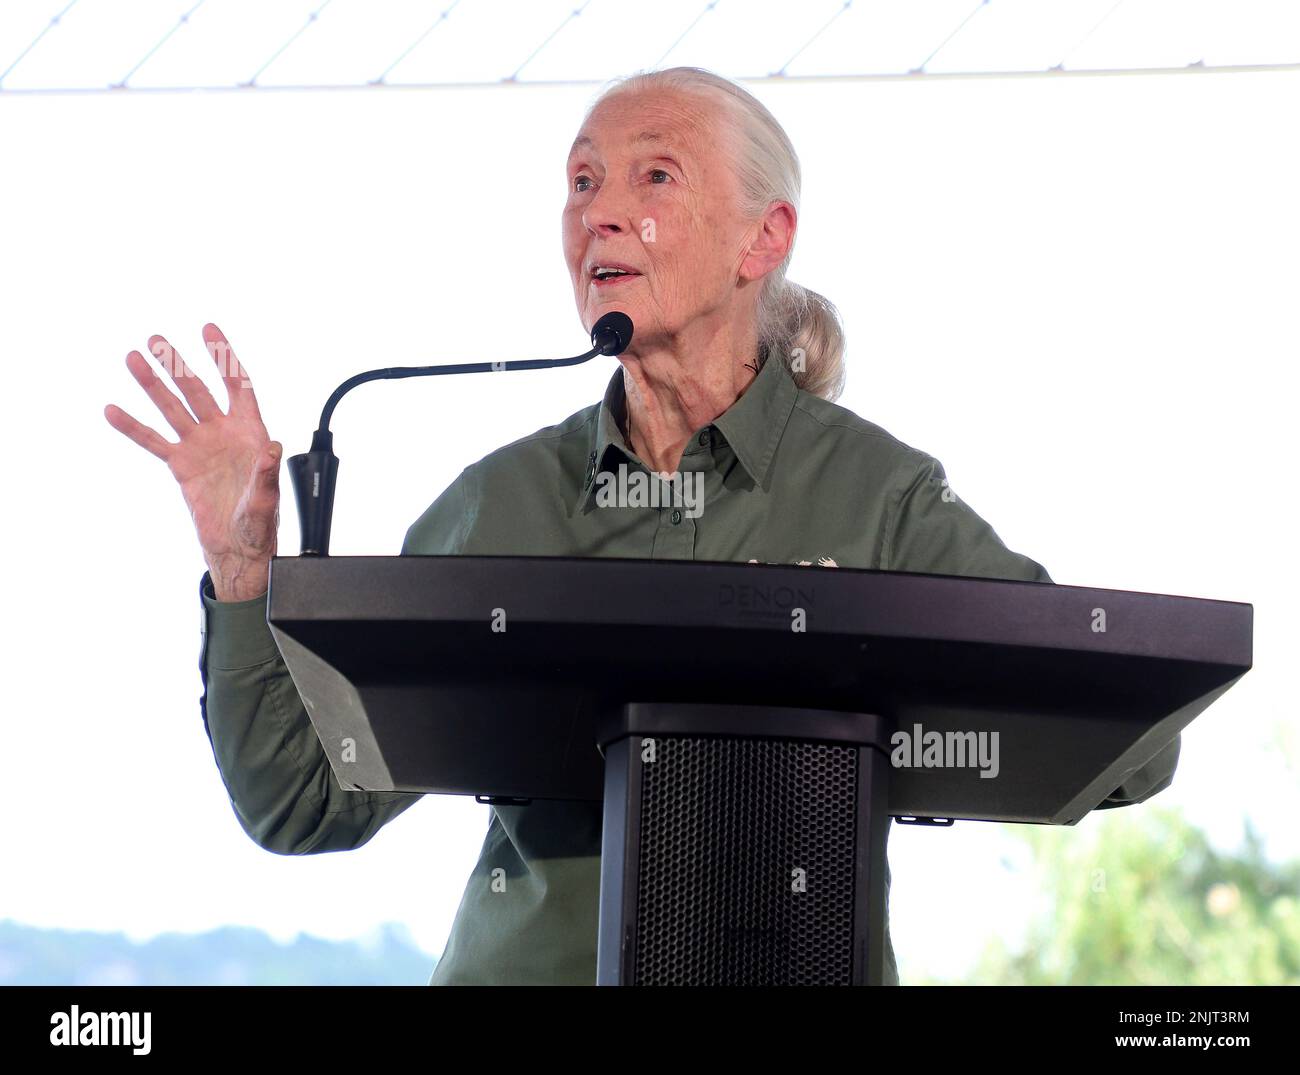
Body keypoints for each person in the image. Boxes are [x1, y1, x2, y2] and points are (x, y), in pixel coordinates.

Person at [104, 66, 1179, 985]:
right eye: (579, 183)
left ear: (765, 238)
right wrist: (243, 571)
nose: (597, 214)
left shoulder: (883, 497)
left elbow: (1128, 746)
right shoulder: (503, 498)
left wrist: (906, 690)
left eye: (651, 176)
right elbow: (299, 800)